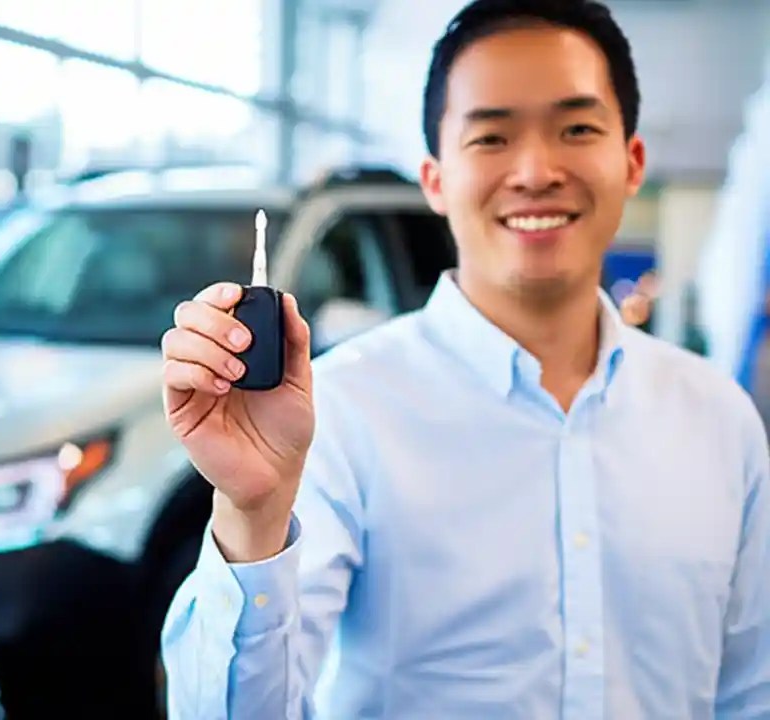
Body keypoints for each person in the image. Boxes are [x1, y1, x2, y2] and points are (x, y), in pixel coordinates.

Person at [157, 1, 770, 718]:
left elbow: (749, 690)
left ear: (632, 162)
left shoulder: (719, 419)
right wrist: (252, 514)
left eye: (577, 129)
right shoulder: (340, 412)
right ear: (436, 179)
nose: (536, 171)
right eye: (491, 137)